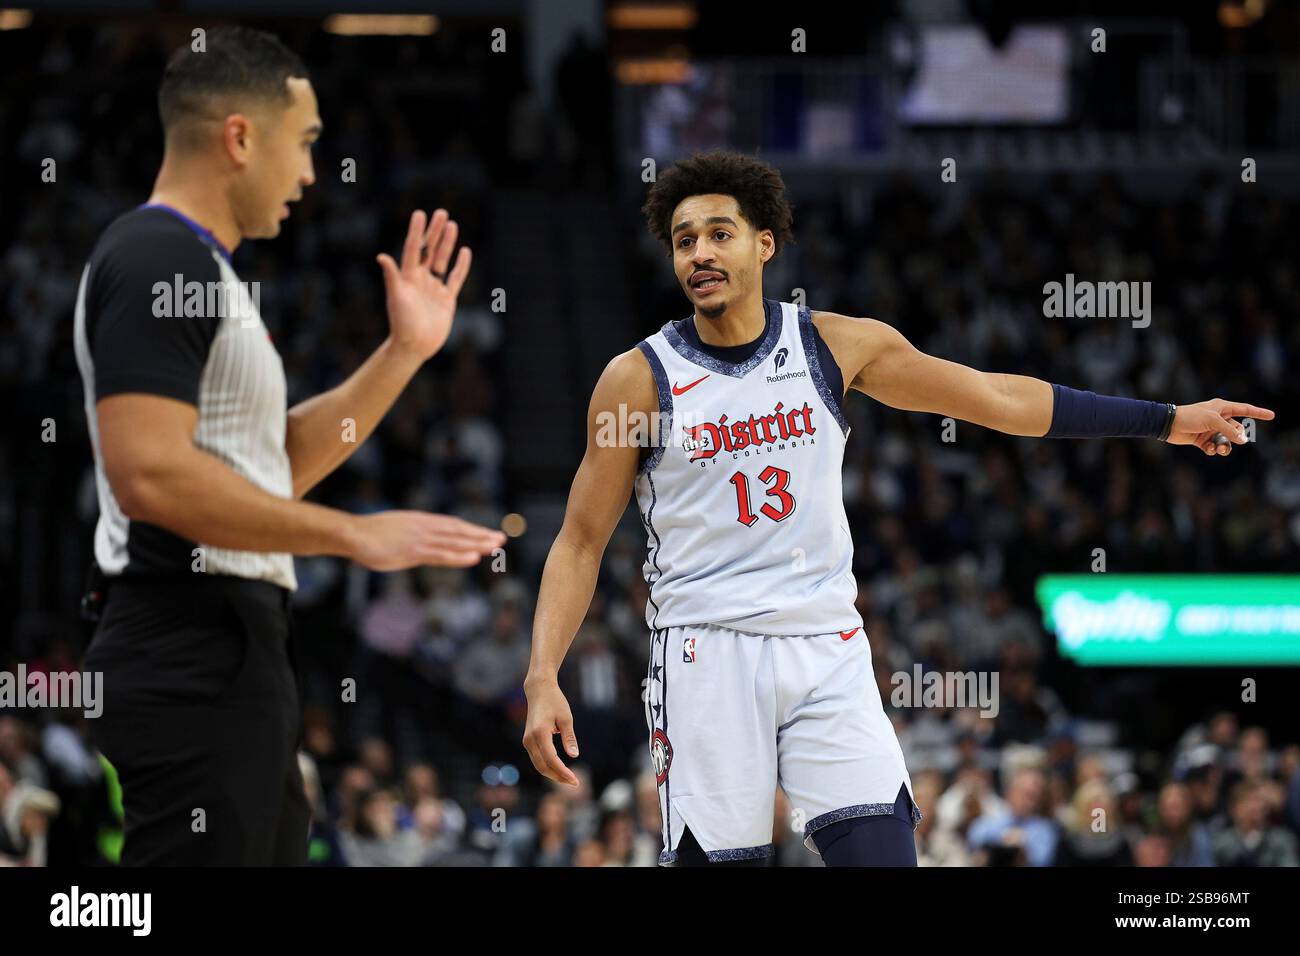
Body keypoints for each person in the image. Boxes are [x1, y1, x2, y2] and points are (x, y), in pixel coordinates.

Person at [521, 149, 1275, 866]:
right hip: (705, 654)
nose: (699, 254)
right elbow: (581, 540)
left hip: (826, 646)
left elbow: (998, 398)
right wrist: (543, 674)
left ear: (765, 244)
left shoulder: (835, 346)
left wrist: (1165, 418)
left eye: (720, 234)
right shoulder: (638, 379)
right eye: (684, 241)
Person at [74, 27, 504, 866]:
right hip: (186, 625)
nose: (312, 172)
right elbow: (149, 475)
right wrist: (351, 534)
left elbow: (274, 467)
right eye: (304, 143)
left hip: (232, 636)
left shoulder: (204, 270)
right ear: (240, 136)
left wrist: (402, 353)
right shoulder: (157, 255)